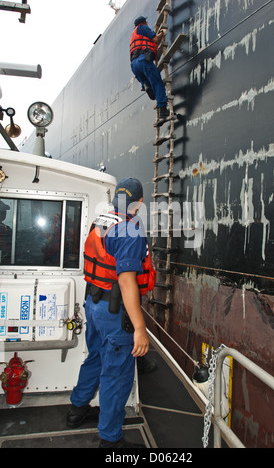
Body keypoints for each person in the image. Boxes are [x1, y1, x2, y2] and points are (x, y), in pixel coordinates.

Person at [67, 178, 156, 448]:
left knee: (94, 356)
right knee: (116, 374)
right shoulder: (128, 231)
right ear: (139, 202)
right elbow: (127, 281)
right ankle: (110, 440)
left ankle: (78, 409)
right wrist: (139, 328)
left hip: (93, 306)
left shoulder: (100, 222)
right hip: (114, 312)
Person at [130, 16, 170, 120]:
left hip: (135, 66)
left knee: (147, 80)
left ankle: (146, 85)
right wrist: (162, 33)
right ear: (144, 22)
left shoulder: (134, 35)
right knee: (157, 83)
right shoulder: (142, 27)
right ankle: (162, 109)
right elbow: (156, 39)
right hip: (144, 61)